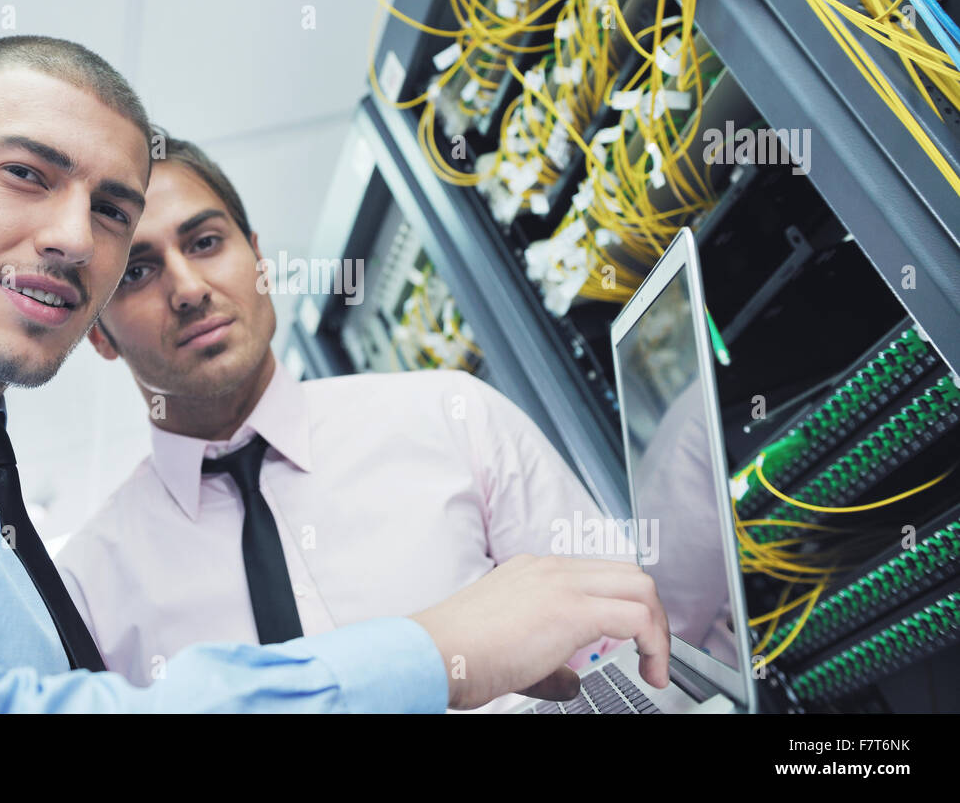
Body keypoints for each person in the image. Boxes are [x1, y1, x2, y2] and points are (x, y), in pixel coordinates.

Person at [0, 35, 669, 712]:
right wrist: (432, 650)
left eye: (108, 207)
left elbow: (634, 647)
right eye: (27, 172)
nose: (72, 238)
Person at [57, 135, 636, 709]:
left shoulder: (455, 418)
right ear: (99, 334)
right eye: (136, 273)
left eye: (206, 242)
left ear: (260, 260)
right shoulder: (89, 586)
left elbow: (621, 639)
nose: (187, 289)